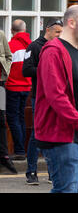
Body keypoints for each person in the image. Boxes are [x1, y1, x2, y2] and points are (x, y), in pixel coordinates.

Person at [34, 5, 78, 193]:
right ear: (71, 23)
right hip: (61, 138)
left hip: (77, 138)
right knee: (66, 190)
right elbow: (55, 95)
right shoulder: (53, 51)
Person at [22, 18, 63, 185]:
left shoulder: (60, 47)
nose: (60, 35)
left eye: (62, 32)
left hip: (58, 97)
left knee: (55, 135)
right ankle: (31, 171)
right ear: (48, 30)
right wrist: (46, 69)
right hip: (40, 96)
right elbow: (26, 70)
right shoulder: (34, 46)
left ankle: (53, 173)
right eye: (57, 32)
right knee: (36, 135)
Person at [5, 19, 31, 160]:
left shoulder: (10, 46)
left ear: (11, 30)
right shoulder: (31, 45)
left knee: (12, 118)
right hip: (26, 87)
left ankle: (20, 150)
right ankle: (22, 150)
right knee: (21, 118)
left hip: (12, 87)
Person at [0, 29, 17, 174]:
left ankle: (3, 155)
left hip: (0, 85)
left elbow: (8, 56)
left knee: (1, 120)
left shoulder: (0, 34)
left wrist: (6, 70)